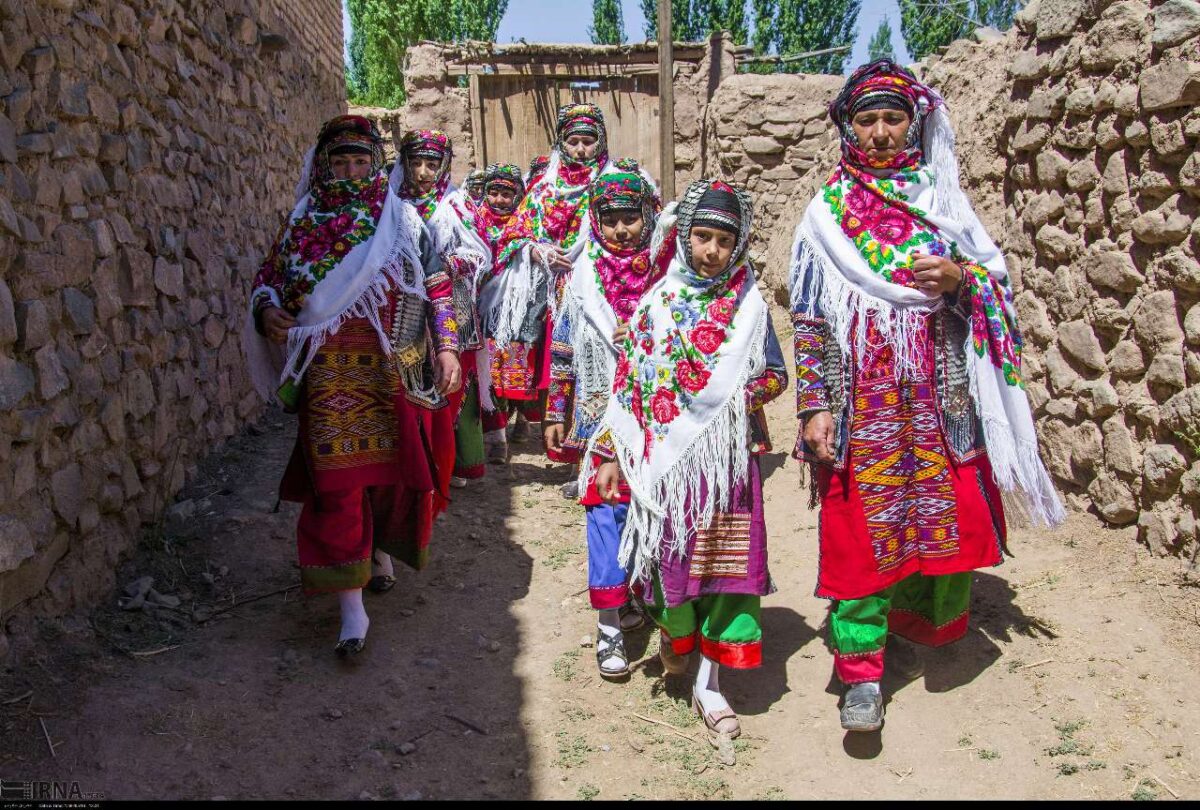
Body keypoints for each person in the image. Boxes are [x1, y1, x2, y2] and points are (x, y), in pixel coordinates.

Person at [787, 60, 1064, 731]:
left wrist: (960, 277)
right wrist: (815, 405)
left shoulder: (944, 204)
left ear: (915, 123)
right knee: (857, 532)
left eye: (893, 118)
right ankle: (860, 670)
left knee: (941, 522)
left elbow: (996, 289)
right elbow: (809, 316)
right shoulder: (825, 216)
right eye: (866, 119)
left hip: (943, 405)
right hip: (864, 405)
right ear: (846, 127)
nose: (880, 132)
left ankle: (912, 628)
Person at [245, 115, 462, 658]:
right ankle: (351, 607)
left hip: (391, 368)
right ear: (321, 166)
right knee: (337, 483)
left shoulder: (403, 222)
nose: (349, 171)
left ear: (375, 165)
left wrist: (448, 345)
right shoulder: (300, 228)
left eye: (361, 162)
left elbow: (437, 284)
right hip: (328, 378)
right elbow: (268, 280)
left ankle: (380, 555)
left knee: (389, 475)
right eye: (339, 162)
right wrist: (267, 309)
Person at [589, 179, 788, 739]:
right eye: (701, 236)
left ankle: (711, 682)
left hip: (725, 470)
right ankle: (676, 635)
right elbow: (627, 384)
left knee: (726, 571)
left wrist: (723, 400)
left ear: (739, 246)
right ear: (682, 238)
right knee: (672, 571)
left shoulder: (749, 307)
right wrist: (609, 452)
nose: (711, 251)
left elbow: (776, 375)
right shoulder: (657, 304)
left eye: (724, 241)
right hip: (666, 471)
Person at [544, 170, 668, 678]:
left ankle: (640, 598)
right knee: (603, 513)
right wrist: (556, 408)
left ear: (649, 216)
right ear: (594, 220)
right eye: (609, 219)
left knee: (650, 510)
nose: (620, 230)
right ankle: (609, 627)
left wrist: (646, 329)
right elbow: (565, 345)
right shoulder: (583, 276)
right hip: (600, 420)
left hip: (657, 418)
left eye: (630, 218)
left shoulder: (669, 275)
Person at [483, 103, 616, 453]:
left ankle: (591, 456)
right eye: (573, 141)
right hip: (547, 291)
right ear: (561, 142)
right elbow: (514, 233)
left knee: (592, 368)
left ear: (601, 142)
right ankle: (557, 441)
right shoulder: (544, 188)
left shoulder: (613, 183)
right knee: (556, 368)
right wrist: (536, 251)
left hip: (597, 290)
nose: (581, 149)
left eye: (589, 140)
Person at [395, 130, 483, 496]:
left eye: (432, 164)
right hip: (406, 311)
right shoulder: (388, 204)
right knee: (409, 384)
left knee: (450, 388)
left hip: (452, 308)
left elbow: (481, 252)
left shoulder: (457, 205)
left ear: (445, 165)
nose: (423, 172)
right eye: (415, 163)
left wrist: (449, 264)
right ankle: (417, 465)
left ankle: (455, 463)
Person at [454, 163, 528, 475]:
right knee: (488, 375)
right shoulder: (472, 223)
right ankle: (498, 439)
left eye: (506, 193)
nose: (499, 199)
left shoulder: (526, 223)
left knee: (514, 374)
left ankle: (522, 420)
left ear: (518, 195)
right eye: (493, 192)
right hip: (477, 308)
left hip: (515, 312)